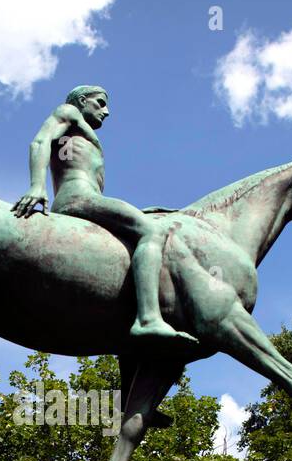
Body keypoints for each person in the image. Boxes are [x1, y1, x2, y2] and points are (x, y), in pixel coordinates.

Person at [11, 85, 196, 346]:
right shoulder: (68, 112)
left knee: (146, 222)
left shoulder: (81, 132)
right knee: (153, 231)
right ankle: (148, 319)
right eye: (100, 103)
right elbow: (40, 141)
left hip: (88, 199)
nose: (106, 112)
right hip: (77, 199)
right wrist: (36, 185)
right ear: (83, 100)